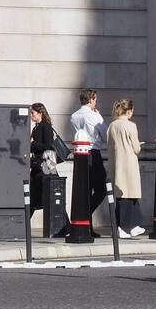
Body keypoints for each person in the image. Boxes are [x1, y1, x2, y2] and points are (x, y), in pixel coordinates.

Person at [70, 88, 108, 235]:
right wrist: (100, 117)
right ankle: (85, 214)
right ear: (91, 99)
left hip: (80, 156)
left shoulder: (74, 116)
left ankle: (87, 226)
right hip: (93, 153)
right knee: (101, 190)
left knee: (84, 190)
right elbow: (105, 136)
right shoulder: (94, 116)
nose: (96, 102)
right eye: (95, 99)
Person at [107, 98, 145, 238]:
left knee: (125, 196)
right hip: (129, 163)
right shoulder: (131, 126)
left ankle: (133, 225)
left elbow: (109, 146)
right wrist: (139, 145)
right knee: (129, 195)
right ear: (129, 111)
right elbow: (136, 148)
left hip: (117, 163)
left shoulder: (112, 125)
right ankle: (124, 227)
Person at [29, 102, 56, 218]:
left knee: (52, 196)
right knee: (32, 195)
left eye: (33, 113)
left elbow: (48, 146)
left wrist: (33, 143)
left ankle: (66, 225)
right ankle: (23, 224)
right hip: (37, 165)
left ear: (40, 113)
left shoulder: (46, 127)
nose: (31, 115)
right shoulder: (36, 127)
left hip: (46, 165)